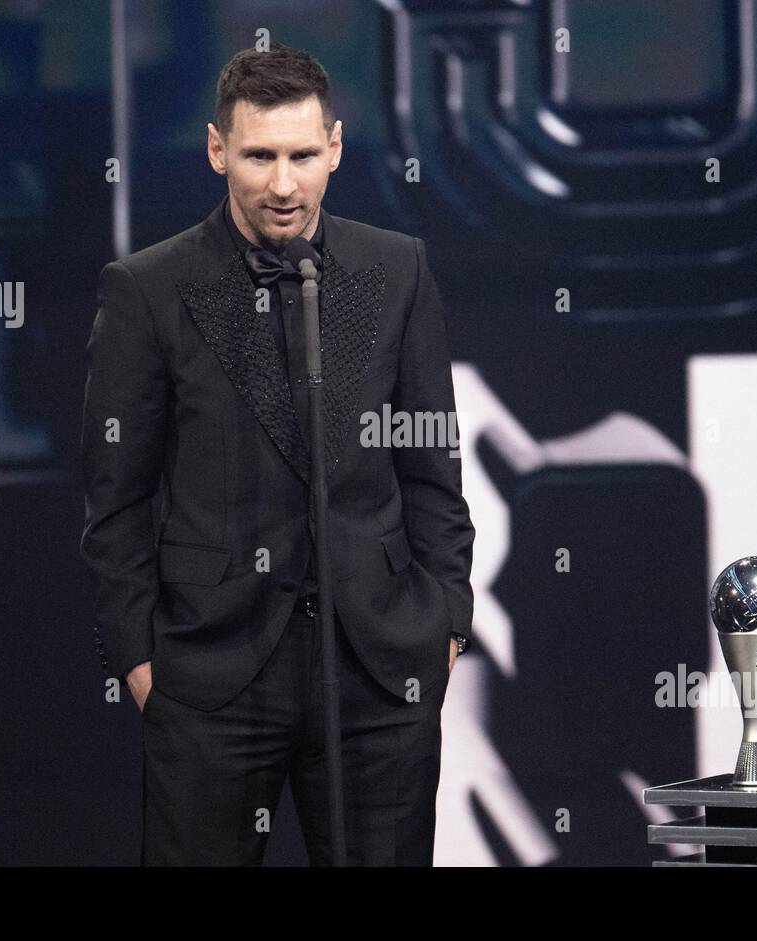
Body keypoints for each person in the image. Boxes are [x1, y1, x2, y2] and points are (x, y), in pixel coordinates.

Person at [79, 43, 474, 865]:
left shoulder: (397, 269)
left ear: (334, 145)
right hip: (211, 675)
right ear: (219, 151)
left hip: (379, 666)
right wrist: (142, 662)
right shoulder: (148, 288)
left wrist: (445, 622)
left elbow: (432, 463)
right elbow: (115, 500)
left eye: (301, 155)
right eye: (259, 156)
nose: (283, 184)